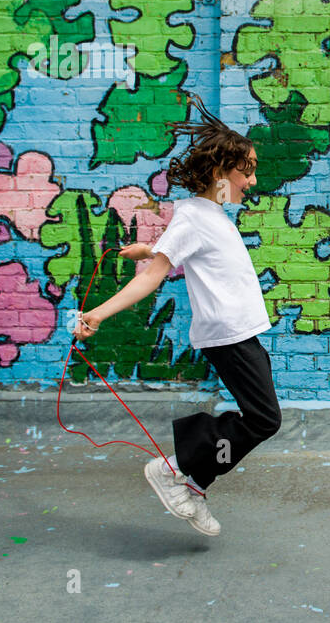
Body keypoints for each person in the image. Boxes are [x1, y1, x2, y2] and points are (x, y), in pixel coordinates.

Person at [73, 93, 277, 536]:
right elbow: (151, 278)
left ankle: (193, 485)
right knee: (264, 419)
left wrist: (151, 248)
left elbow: (184, 255)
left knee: (260, 418)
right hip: (228, 335)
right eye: (248, 170)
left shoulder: (208, 215)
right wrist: (98, 314)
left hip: (239, 333)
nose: (253, 181)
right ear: (223, 173)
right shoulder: (195, 218)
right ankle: (175, 468)